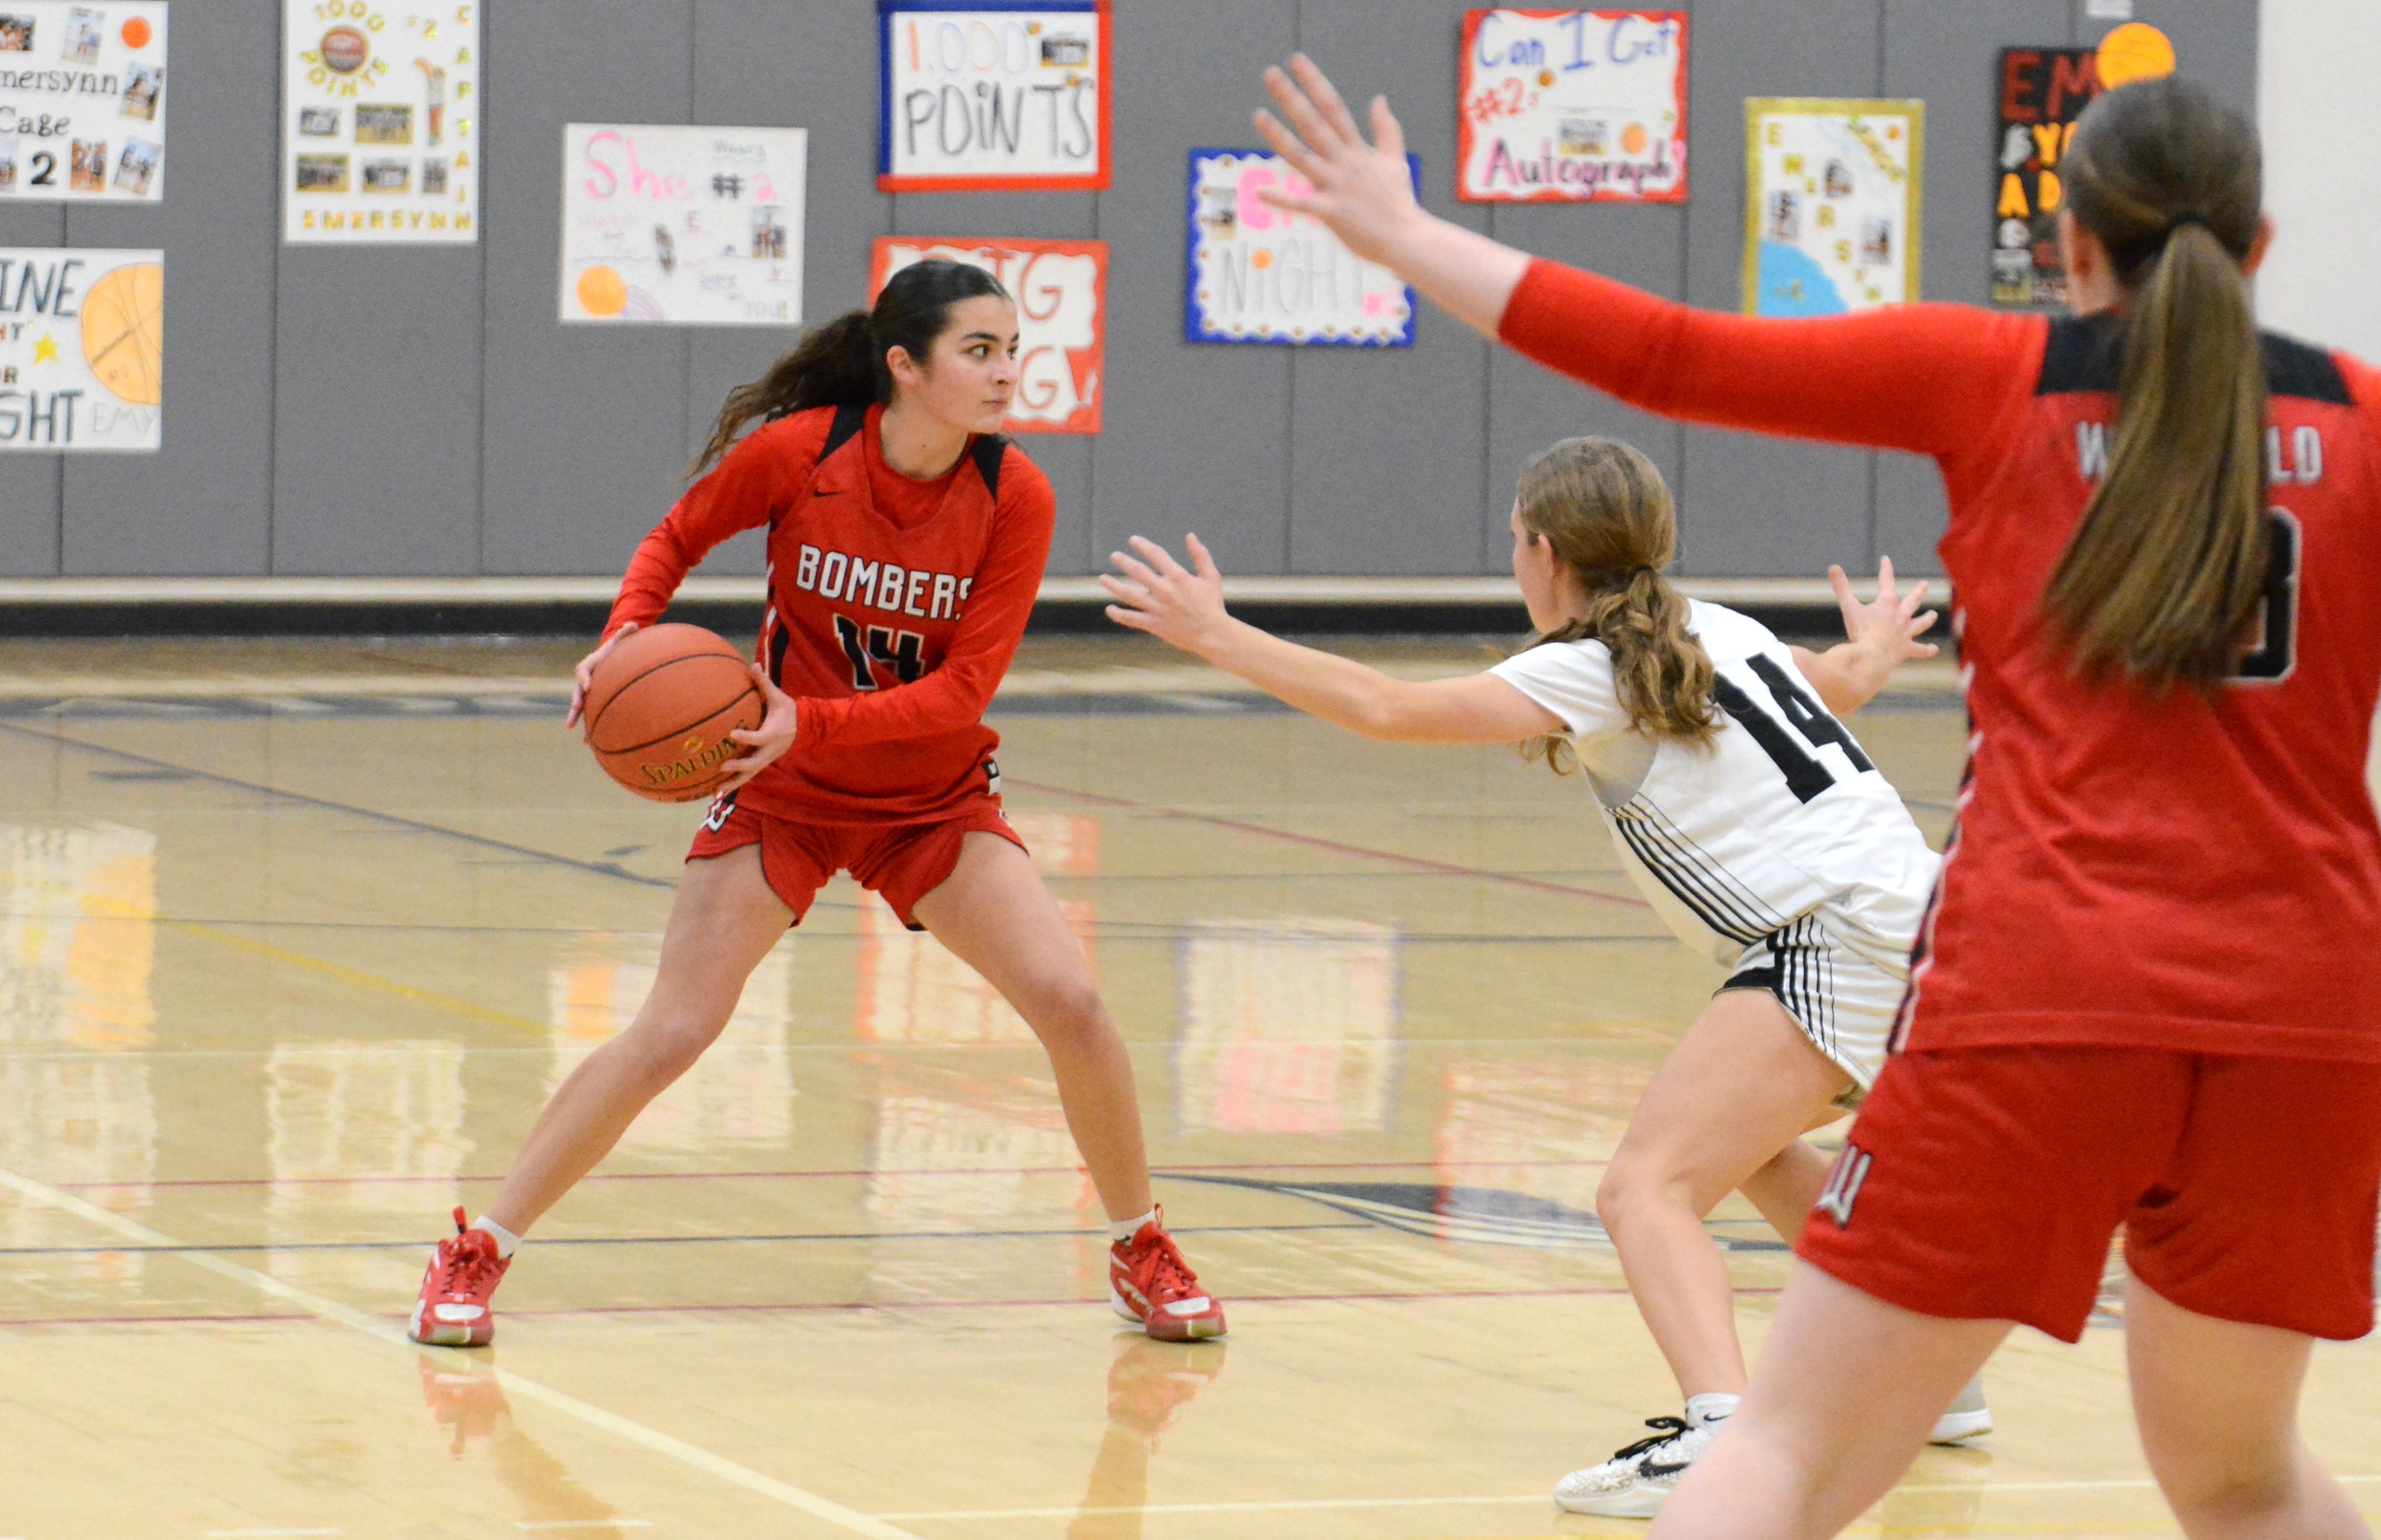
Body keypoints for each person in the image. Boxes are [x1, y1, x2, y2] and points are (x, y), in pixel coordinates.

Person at [1253, 57, 2381, 1539]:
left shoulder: (1998, 379)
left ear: (2067, 245)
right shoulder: (2358, 416)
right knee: (2241, 1479)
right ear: (2258, 249)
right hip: (2304, 1012)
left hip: (2042, 988)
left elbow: (1666, 353)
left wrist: (1404, 240)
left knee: (1778, 1457)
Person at [1101, 435, 1975, 1516]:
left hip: (1831, 934)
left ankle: (1720, 1433)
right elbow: (1838, 684)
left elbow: (1386, 710)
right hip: (1926, 923)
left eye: (1515, 538)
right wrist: (1878, 647)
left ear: (1546, 551)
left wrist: (1216, 633)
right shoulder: (1720, 627)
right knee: (1744, 1150)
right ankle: (1930, 1368)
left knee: (1644, 1189)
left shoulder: (1591, 664)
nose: (1515, 558)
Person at [408, 259, 1226, 1347]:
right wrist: (621, 647)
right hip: (777, 790)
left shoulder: (1014, 494)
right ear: (905, 365)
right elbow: (673, 540)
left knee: (1072, 1002)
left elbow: (962, 696)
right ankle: (477, 1250)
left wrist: (814, 720)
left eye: (1013, 351)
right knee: (673, 1030)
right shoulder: (803, 454)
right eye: (979, 351)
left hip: (928, 800)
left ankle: (1138, 1245)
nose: (1005, 373)